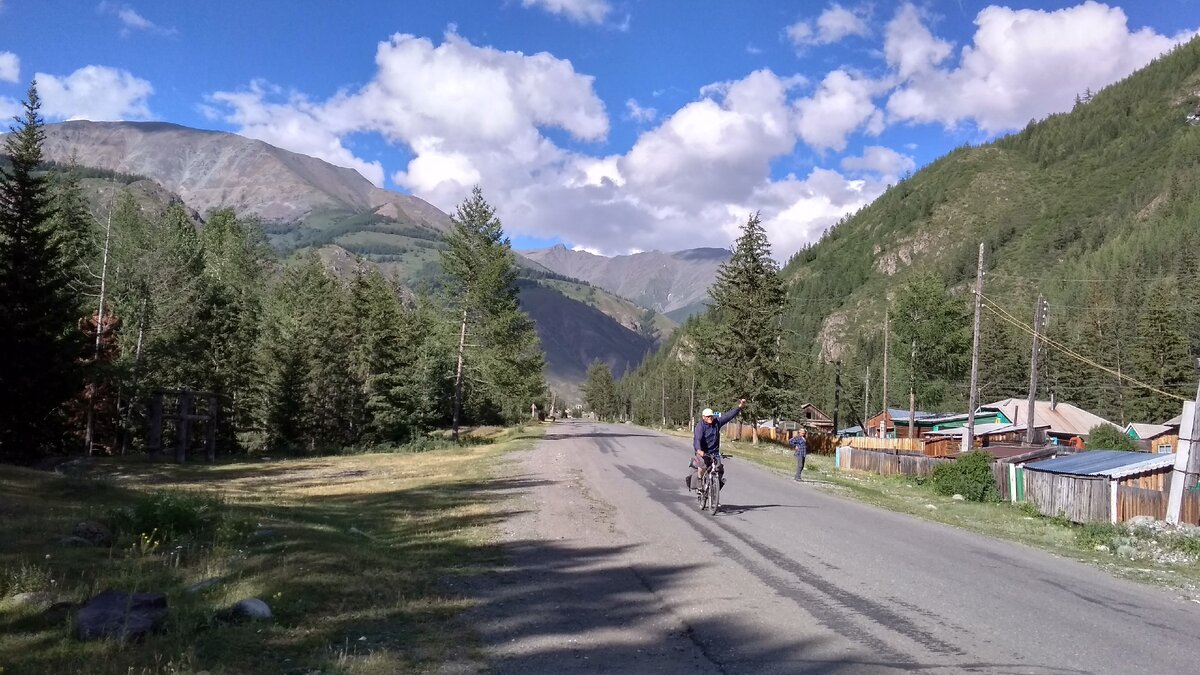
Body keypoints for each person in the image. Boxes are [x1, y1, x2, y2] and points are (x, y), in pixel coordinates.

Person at [685, 399, 746, 492]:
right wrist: (698, 450)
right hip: (703, 452)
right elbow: (697, 439)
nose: (710, 418)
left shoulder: (717, 422)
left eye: (711, 416)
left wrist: (739, 407)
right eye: (708, 416)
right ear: (704, 417)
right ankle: (699, 479)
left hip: (714, 452)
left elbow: (728, 416)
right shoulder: (700, 426)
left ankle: (714, 493)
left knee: (719, 469)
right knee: (703, 465)